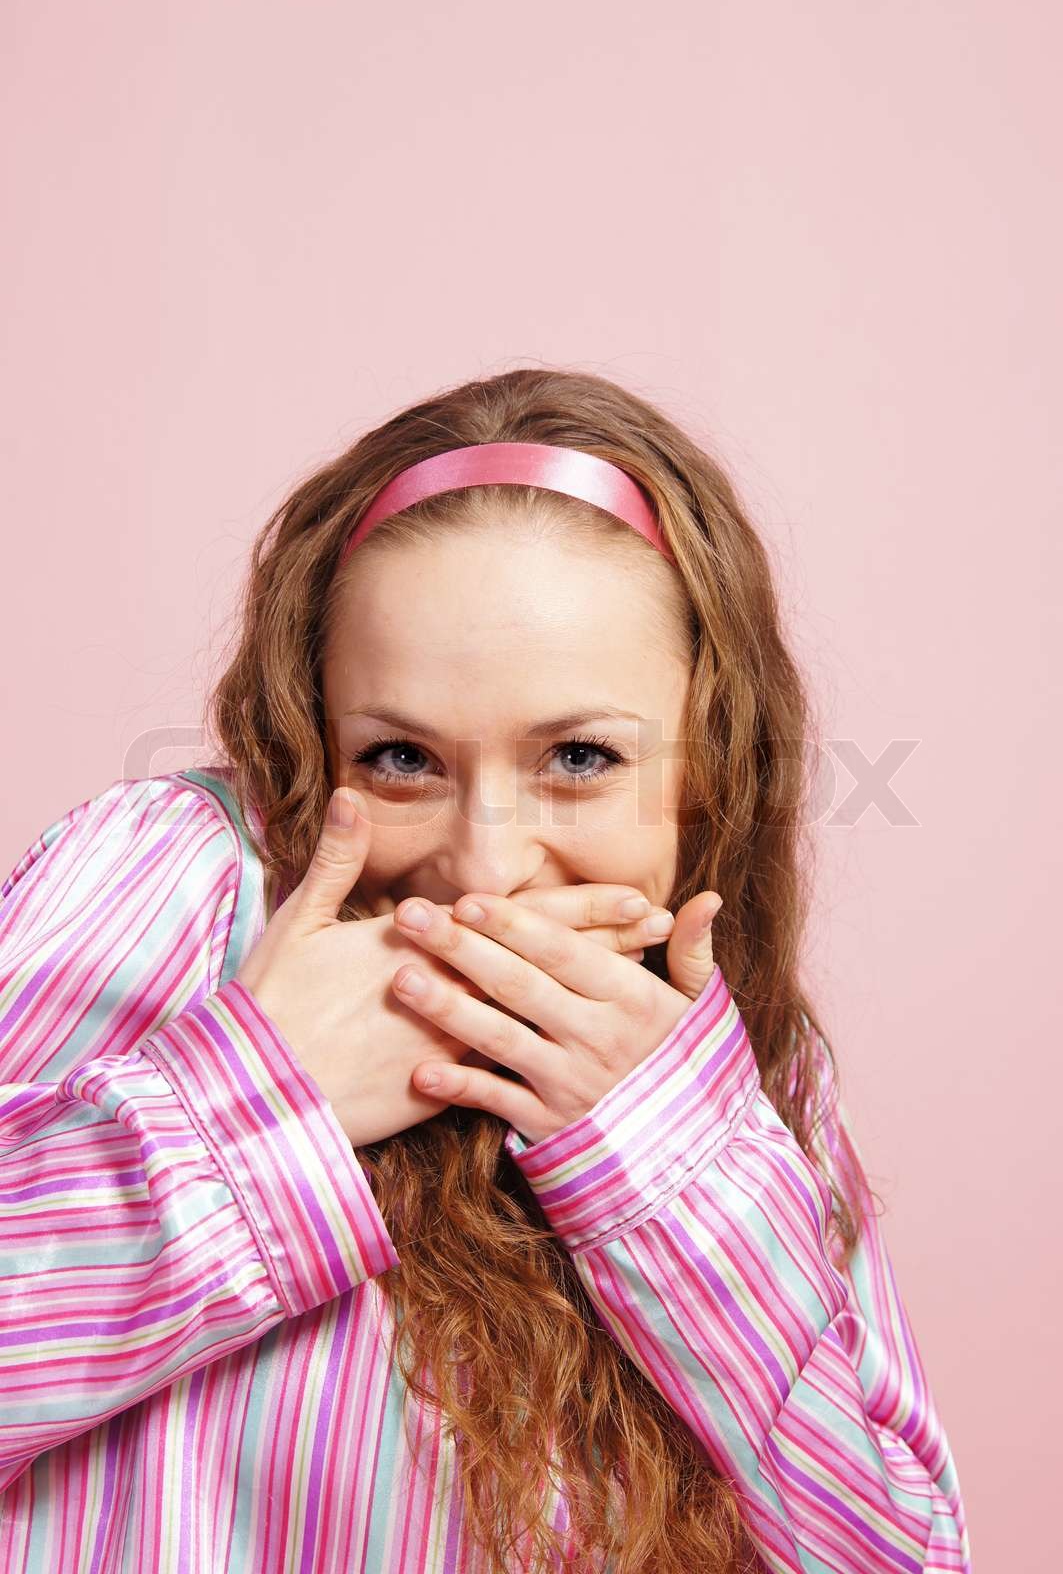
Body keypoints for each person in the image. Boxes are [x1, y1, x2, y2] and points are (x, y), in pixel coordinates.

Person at [0, 367, 970, 1573]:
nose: (485, 871)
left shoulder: (724, 1055)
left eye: (577, 754)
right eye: (401, 755)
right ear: (315, 734)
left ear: (703, 769)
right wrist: (252, 1108)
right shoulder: (187, 886)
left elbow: (901, 1552)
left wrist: (669, 1170)